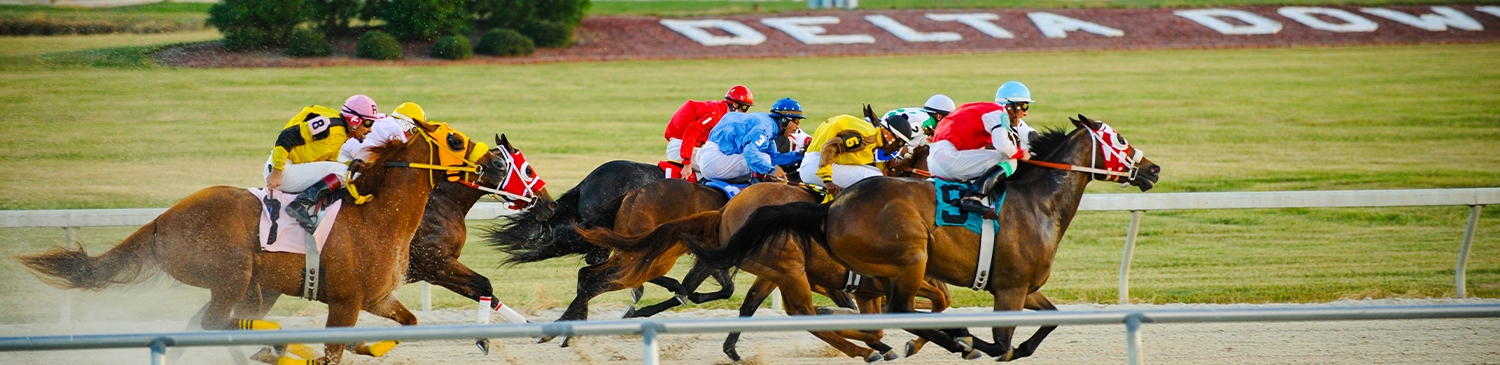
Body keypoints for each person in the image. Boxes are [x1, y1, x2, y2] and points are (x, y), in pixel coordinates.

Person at [264, 94, 379, 232]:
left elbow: (329, 165)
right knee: (345, 172)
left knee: (349, 170)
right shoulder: (330, 126)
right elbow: (286, 137)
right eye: (368, 123)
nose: (370, 129)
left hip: (290, 166)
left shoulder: (342, 133)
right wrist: (277, 171)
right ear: (355, 120)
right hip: (283, 170)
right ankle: (300, 204)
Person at [925, 82, 1036, 215]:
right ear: (1011, 105)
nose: (1026, 113)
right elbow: (1003, 147)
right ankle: (974, 196)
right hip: (947, 158)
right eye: (1024, 106)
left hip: (935, 159)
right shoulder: (1000, 114)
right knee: (1010, 160)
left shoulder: (982, 109)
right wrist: (1020, 154)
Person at [797, 113, 915, 196]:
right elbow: (830, 147)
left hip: (817, 161)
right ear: (889, 134)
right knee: (877, 179)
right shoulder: (867, 137)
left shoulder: (871, 134)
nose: (898, 147)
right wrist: (827, 180)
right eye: (900, 142)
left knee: (875, 173)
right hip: (816, 167)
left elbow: (851, 159)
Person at [695, 98, 805, 183]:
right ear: (784, 120)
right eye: (796, 121)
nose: (797, 127)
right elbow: (750, 152)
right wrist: (772, 171)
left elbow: (774, 158)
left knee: (766, 159)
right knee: (763, 159)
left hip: (714, 157)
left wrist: (799, 155)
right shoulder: (764, 128)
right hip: (715, 161)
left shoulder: (768, 126)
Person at [662, 86, 755, 174]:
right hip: (680, 149)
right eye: (744, 108)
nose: (746, 112)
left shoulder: (722, 114)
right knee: (717, 165)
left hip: (687, 147)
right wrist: (687, 163)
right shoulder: (714, 115)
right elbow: (691, 131)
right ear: (734, 105)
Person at [884, 94, 955, 139]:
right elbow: (897, 138)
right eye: (947, 118)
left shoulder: (923, 114)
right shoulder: (925, 123)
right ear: (939, 116)